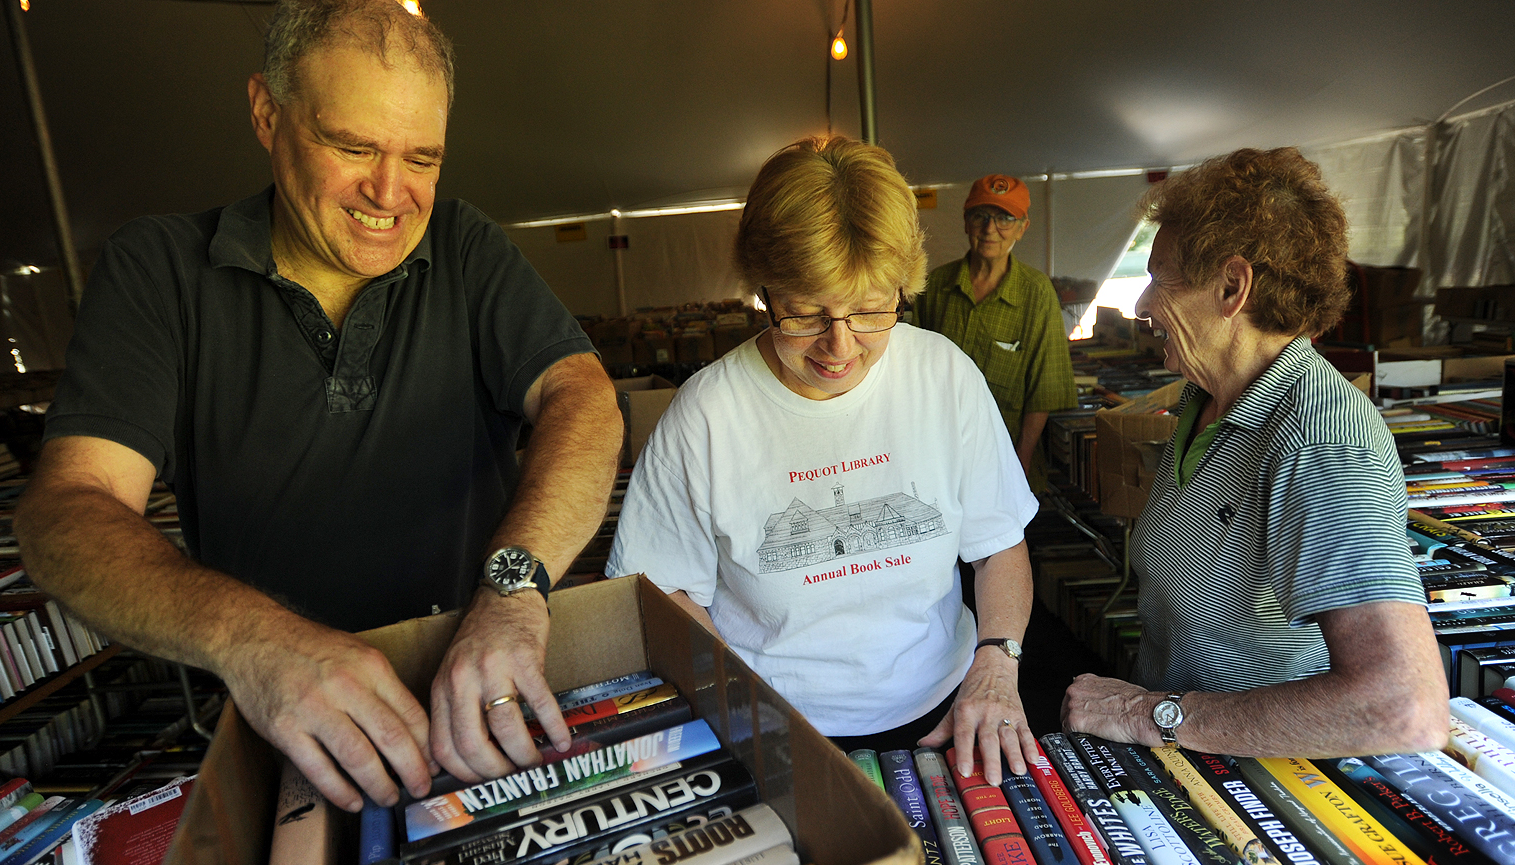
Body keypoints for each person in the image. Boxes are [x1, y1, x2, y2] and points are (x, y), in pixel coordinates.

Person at [13, 0, 622, 813]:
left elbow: (582, 395)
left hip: (482, 699)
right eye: (353, 146)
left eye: (422, 157)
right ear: (267, 113)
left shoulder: (464, 245)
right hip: (292, 739)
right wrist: (258, 644)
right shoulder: (158, 271)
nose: (390, 193)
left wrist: (513, 592)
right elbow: (63, 515)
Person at [605, 136, 1039, 783]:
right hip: (776, 726)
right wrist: (738, 706)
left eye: (869, 310)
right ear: (763, 292)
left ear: (904, 283)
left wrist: (998, 663)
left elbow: (999, 543)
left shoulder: (944, 377)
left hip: (946, 712)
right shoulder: (707, 414)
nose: (839, 346)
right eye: (805, 313)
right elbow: (661, 586)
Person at [1061, 147, 1447, 756]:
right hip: (1196, 752)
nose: (1140, 306)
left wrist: (1144, 714)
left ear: (1232, 286)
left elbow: (1403, 707)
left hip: (1269, 776)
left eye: (1159, 280)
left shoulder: (1320, 436)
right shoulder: (1205, 398)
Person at [909, 175, 1077, 491]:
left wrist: (1020, 459)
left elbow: (1046, 387)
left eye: (1004, 218)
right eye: (980, 216)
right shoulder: (935, 286)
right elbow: (914, 375)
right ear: (966, 222)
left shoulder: (1036, 292)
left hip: (1006, 457)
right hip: (940, 455)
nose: (990, 229)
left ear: (1022, 227)